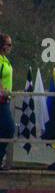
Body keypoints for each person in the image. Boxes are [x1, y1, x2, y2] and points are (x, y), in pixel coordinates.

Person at [0, 35, 14, 170]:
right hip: (1, 100)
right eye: (8, 45)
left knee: (4, 129)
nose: (10, 47)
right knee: (9, 128)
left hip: (5, 100)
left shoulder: (5, 60)